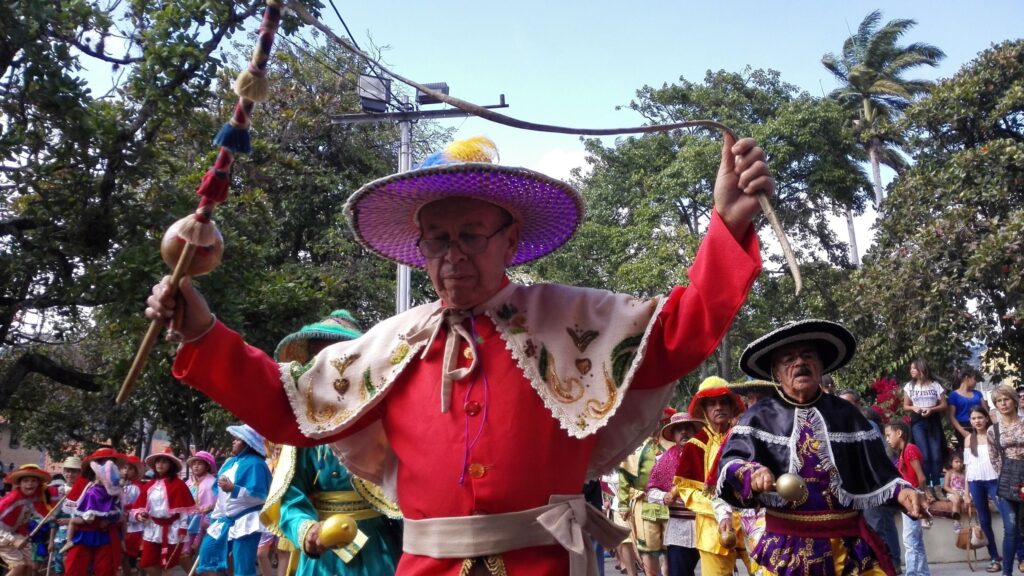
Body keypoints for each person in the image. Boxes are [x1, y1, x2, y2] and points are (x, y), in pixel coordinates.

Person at [145, 132, 771, 574]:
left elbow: (679, 331)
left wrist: (729, 225)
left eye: (471, 234)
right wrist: (202, 331)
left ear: (511, 240)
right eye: (437, 239)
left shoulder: (571, 322)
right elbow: (290, 407)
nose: (452, 255)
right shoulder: (390, 346)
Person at [716, 320, 924, 576]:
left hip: (849, 547)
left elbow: (879, 471)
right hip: (787, 549)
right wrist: (752, 472)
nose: (799, 363)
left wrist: (903, 492)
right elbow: (730, 463)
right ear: (775, 373)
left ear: (821, 365)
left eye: (808, 356)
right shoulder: (758, 417)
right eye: (788, 359)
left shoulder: (848, 415)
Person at [260, 310, 402, 576]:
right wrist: (307, 530)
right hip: (323, 556)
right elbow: (290, 495)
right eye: (318, 358)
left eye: (339, 356)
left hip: (379, 551)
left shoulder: (385, 421)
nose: (328, 366)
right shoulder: (306, 427)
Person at [673, 376, 756, 574]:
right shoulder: (695, 445)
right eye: (712, 404)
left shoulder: (745, 437)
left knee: (766, 570)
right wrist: (720, 511)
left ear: (731, 406)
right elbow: (687, 490)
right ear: (704, 409)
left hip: (750, 521)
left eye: (723, 402)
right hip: (712, 526)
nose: (718, 407)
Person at [838, 387, 903, 575]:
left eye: (848, 403)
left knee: (878, 526)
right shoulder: (837, 425)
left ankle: (889, 566)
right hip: (850, 488)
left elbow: (877, 457)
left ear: (858, 404)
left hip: (871, 485)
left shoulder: (867, 425)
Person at [196, 425, 272, 576]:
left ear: (248, 443)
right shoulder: (229, 463)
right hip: (223, 520)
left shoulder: (257, 464)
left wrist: (234, 489)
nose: (233, 442)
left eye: (238, 439)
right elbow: (221, 496)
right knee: (208, 554)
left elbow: (261, 497)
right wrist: (215, 518)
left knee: (243, 567)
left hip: (247, 523)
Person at [616, 408, 673, 576]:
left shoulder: (670, 445)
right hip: (644, 503)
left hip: (671, 503)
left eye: (656, 419)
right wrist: (623, 504)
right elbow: (624, 476)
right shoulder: (635, 447)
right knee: (648, 548)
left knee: (672, 548)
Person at [645, 411, 703, 576]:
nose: (683, 432)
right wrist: (664, 497)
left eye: (687, 427)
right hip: (679, 529)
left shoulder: (707, 454)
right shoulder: (666, 459)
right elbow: (650, 490)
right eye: (678, 429)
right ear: (673, 435)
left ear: (694, 431)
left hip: (707, 523)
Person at [131, 449, 195, 576]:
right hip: (152, 528)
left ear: (170, 465)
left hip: (172, 529)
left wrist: (183, 529)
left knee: (167, 565)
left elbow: (183, 510)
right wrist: (140, 515)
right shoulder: (149, 485)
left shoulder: (179, 484)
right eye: (158, 461)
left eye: (164, 462)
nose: (160, 464)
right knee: (146, 563)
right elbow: (139, 507)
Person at [64, 448, 127, 576]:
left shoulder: (117, 490)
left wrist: (109, 521)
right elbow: (73, 510)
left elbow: (120, 513)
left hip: (107, 534)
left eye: (110, 462)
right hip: (84, 533)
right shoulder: (83, 485)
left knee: (105, 570)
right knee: (74, 568)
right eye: (102, 462)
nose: (106, 466)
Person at [885, 422, 931, 575]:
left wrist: (924, 494)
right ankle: (923, 573)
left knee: (910, 540)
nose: (887, 439)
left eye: (888, 435)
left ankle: (912, 573)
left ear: (899, 433)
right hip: (910, 497)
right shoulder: (902, 452)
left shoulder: (909, 449)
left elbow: (921, 477)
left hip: (913, 497)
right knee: (915, 540)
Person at [988, 385, 1024, 576]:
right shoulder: (993, 430)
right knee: (1010, 529)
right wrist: (1007, 475)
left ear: (1014, 400)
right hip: (1006, 482)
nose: (1003, 403)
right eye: (999, 401)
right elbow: (994, 458)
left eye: (1006, 399)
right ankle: (1007, 573)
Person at [964, 405, 1003, 572]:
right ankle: (994, 558)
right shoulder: (968, 439)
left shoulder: (994, 435)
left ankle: (1020, 556)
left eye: (980, 417)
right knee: (985, 521)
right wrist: (966, 493)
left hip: (995, 481)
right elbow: (967, 467)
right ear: (970, 421)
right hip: (975, 483)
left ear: (987, 418)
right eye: (973, 418)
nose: (977, 421)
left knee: (1009, 519)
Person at [903, 357, 948, 499]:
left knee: (936, 454)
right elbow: (905, 406)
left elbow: (944, 405)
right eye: (911, 368)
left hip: (933, 420)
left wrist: (932, 409)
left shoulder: (935, 385)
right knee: (925, 455)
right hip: (918, 422)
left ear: (921, 369)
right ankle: (926, 487)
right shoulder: (910, 386)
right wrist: (913, 407)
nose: (911, 371)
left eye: (914, 368)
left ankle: (937, 487)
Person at [0, 464, 53, 576]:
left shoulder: (34, 496)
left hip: (16, 534)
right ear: (19, 484)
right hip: (3, 535)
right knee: (19, 566)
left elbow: (45, 511)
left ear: (38, 483)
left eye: (33, 481)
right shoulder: (11, 500)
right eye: (26, 481)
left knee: (31, 565)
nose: (30, 484)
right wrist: (13, 540)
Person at [182, 451, 217, 568]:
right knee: (183, 555)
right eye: (194, 464)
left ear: (207, 466)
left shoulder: (213, 482)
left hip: (207, 522)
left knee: (204, 555)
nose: (196, 466)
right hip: (189, 521)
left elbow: (219, 502)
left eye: (199, 464)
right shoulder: (188, 482)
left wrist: (209, 510)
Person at [52, 456, 82, 575]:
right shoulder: (58, 491)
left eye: (74, 471)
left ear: (80, 472)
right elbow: (53, 516)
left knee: (75, 564)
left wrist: (70, 520)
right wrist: (51, 539)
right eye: (67, 471)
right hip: (61, 534)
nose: (70, 474)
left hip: (79, 533)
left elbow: (89, 515)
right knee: (59, 564)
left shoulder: (86, 490)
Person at [121, 454, 147, 575]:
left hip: (134, 527)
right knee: (123, 557)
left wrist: (129, 515)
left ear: (136, 471)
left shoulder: (137, 488)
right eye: (124, 468)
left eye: (130, 468)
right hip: (122, 524)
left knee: (130, 556)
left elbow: (140, 507)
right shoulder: (120, 485)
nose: (126, 471)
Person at [949, 367, 985, 453]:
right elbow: (951, 416)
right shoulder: (954, 395)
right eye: (974, 378)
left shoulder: (978, 393)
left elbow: (985, 411)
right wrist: (962, 431)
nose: (975, 382)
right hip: (963, 427)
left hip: (980, 426)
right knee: (968, 452)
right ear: (966, 378)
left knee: (982, 450)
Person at [943, 451, 969, 522]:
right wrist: (955, 492)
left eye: (961, 462)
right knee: (956, 501)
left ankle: (968, 520)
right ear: (951, 463)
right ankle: (956, 519)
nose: (959, 464)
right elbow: (945, 486)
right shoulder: (949, 473)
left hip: (963, 492)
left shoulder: (964, 473)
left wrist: (966, 495)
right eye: (956, 462)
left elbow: (967, 485)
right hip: (952, 492)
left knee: (968, 502)